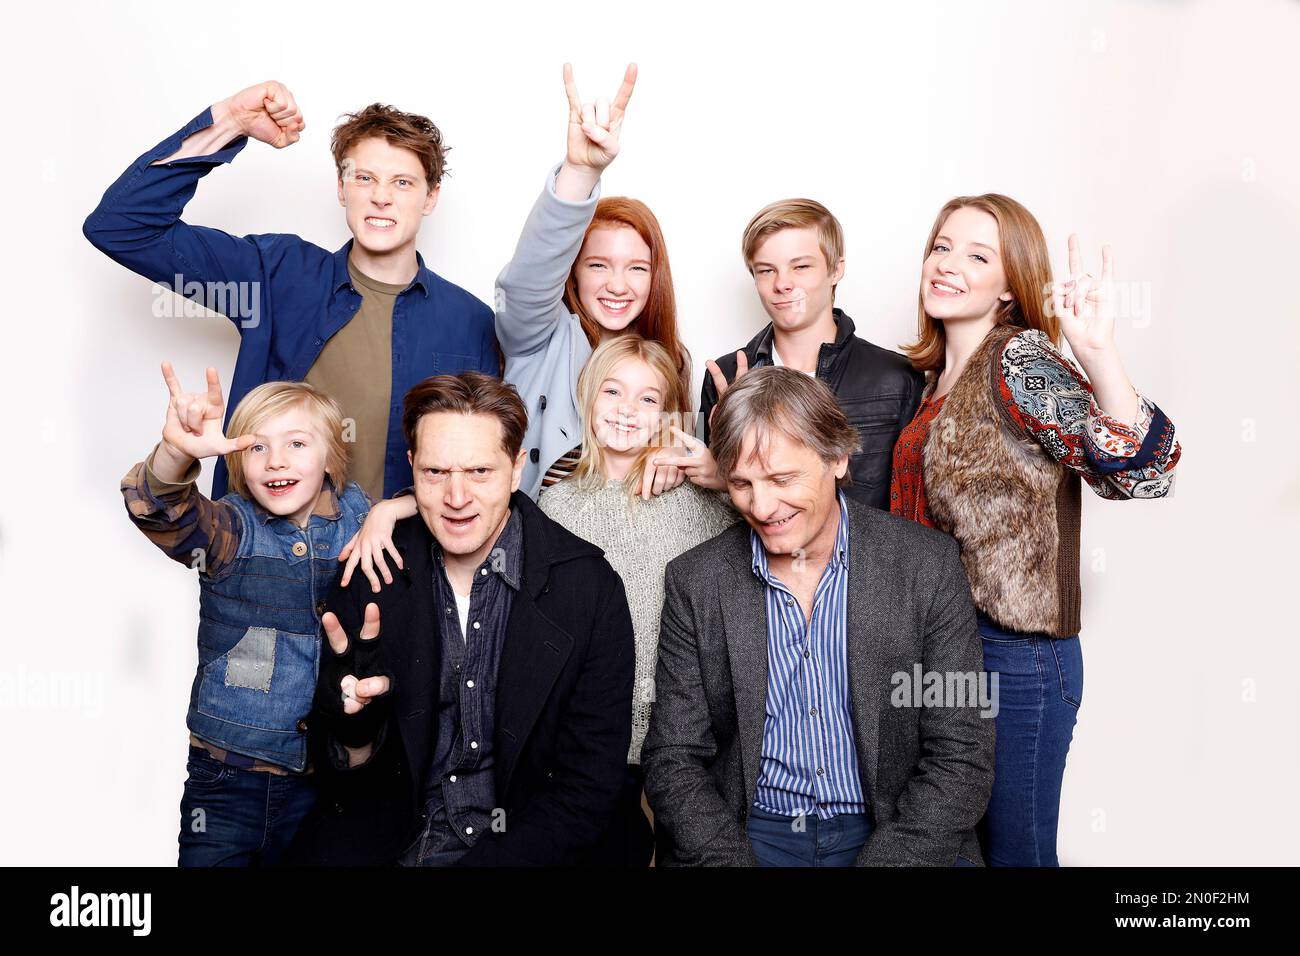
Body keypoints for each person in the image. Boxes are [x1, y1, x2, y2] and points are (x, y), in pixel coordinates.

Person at [889, 195, 1183, 866]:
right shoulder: (933, 382)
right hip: (942, 654)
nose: (948, 264)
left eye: (977, 256)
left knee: (1016, 854)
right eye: (941, 247)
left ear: (1010, 285)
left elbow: (1144, 471)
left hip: (1014, 655)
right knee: (952, 850)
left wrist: (1097, 353)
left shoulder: (1018, 362)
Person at [643, 366, 995, 866]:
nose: (763, 507)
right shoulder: (696, 581)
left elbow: (963, 752)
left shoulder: (928, 565)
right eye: (741, 484)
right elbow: (673, 758)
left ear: (837, 457)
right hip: (749, 833)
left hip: (893, 830)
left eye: (781, 479)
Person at [85, 81, 498, 501]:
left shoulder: (471, 322)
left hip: (401, 543)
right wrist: (229, 122)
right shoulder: (278, 274)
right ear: (342, 188)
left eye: (402, 183)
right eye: (364, 178)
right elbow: (120, 227)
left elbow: (483, 466)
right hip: (259, 540)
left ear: (430, 197)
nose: (380, 197)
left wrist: (398, 511)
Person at [286, 372, 636, 866]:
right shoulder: (369, 572)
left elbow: (588, 787)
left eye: (479, 472)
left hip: (524, 854)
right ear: (412, 466)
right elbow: (343, 784)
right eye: (435, 472)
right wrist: (355, 731)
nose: (456, 497)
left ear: (516, 470)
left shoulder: (589, 588)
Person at [120, 365, 370, 865]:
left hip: (323, 780)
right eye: (257, 447)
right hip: (226, 781)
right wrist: (176, 452)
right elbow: (161, 509)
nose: (276, 460)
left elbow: (426, 509)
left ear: (331, 455)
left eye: (297, 443)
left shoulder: (362, 517)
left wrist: (391, 513)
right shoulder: (231, 529)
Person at [538, 335, 739, 865]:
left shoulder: (696, 499)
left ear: (668, 414)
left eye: (647, 398)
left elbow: (765, 537)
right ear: (587, 395)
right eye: (613, 391)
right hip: (590, 730)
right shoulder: (553, 505)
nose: (627, 410)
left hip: (685, 729)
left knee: (692, 849)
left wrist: (722, 472)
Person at [495, 63, 691, 500]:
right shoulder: (538, 338)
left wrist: (678, 455)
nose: (618, 285)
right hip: (536, 531)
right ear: (573, 272)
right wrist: (579, 171)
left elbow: (677, 465)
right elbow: (527, 281)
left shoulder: (670, 359)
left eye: (637, 268)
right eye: (599, 265)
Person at [697, 199, 923, 510]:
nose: (782, 284)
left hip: (867, 543)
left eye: (800, 266)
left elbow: (912, 505)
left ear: (836, 269)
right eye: (766, 270)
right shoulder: (723, 376)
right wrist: (727, 443)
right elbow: (702, 497)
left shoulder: (898, 377)